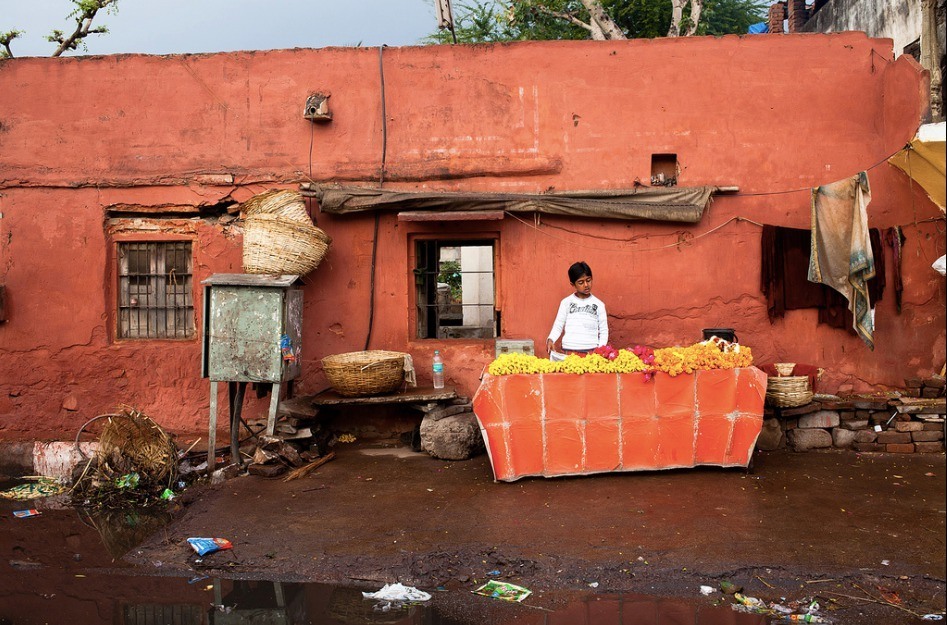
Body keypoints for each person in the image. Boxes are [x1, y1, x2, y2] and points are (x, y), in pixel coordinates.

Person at [546, 261, 608, 356]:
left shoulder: (599, 305)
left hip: (591, 352)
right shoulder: (566, 303)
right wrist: (551, 339)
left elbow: (604, 331)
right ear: (573, 284)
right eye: (581, 282)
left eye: (588, 280)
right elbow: (558, 325)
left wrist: (600, 351)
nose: (586, 285)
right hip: (569, 351)